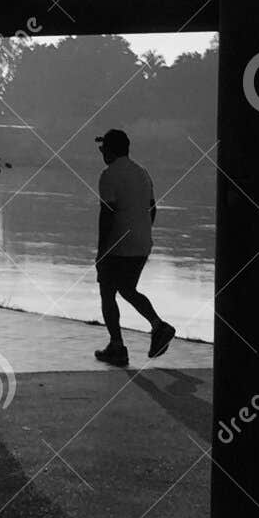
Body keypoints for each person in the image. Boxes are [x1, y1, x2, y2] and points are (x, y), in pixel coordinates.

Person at [92, 128, 174, 368]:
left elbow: (106, 216)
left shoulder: (108, 175)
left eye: (104, 148)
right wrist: (142, 232)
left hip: (118, 244)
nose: (102, 153)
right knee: (127, 289)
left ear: (112, 150)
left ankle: (117, 346)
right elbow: (152, 209)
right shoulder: (142, 173)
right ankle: (159, 326)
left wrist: (101, 251)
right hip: (142, 242)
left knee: (107, 292)